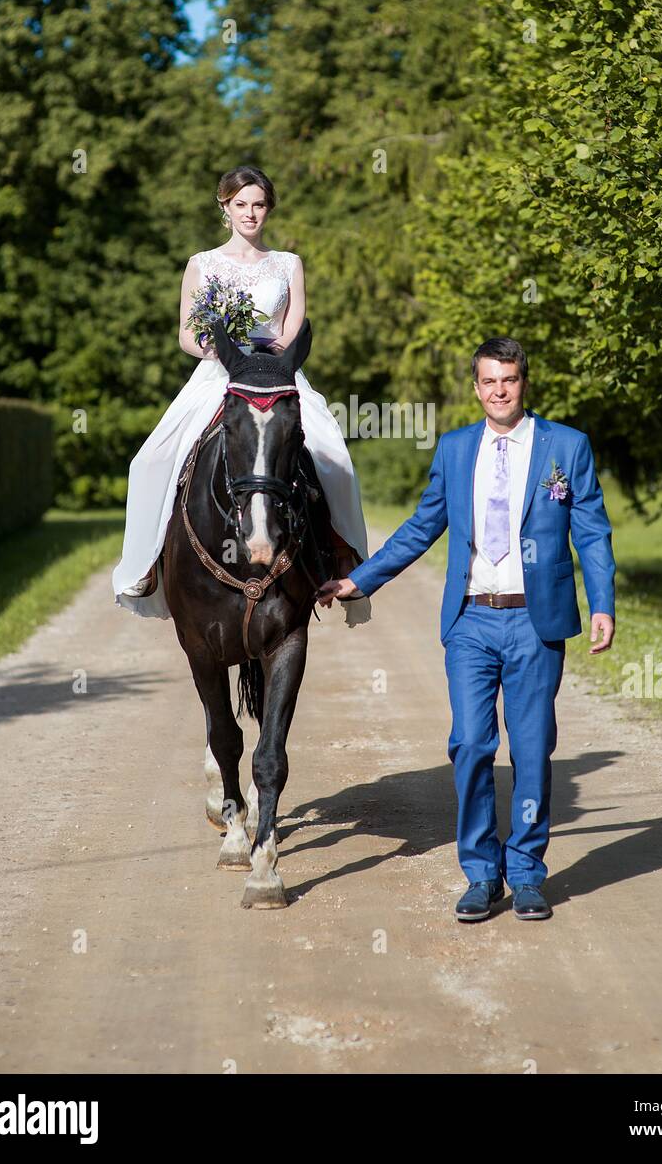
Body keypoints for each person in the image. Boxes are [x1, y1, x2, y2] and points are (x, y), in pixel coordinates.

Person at [318, 337, 615, 921]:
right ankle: (481, 873)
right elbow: (422, 525)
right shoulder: (456, 450)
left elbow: (592, 531)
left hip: (537, 620)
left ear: (522, 383)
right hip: (471, 619)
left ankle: (527, 872)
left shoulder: (566, 446)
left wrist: (602, 602)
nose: (499, 391)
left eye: (508, 380)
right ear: (475, 387)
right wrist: (362, 578)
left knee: (531, 749)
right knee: (473, 744)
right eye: (488, 381)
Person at [111, 165, 372, 628]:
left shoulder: (288, 263)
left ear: (267, 209)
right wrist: (219, 347)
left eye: (258, 204)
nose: (250, 213)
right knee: (149, 461)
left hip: (276, 374)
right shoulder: (201, 263)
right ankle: (148, 565)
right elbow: (186, 336)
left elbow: (293, 329)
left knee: (335, 457)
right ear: (225, 207)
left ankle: (344, 562)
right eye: (241, 204)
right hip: (218, 374)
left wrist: (270, 354)